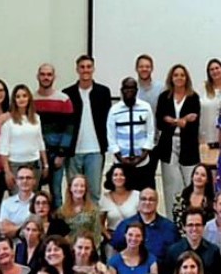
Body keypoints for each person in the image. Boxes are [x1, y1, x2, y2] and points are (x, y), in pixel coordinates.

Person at [63, 55, 113, 196]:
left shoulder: (103, 92)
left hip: (95, 151)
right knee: (74, 193)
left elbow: (107, 121)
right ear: (77, 69)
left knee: (94, 193)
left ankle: (93, 219)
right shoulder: (67, 93)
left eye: (88, 67)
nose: (85, 70)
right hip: (73, 151)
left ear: (93, 69)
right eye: (82, 67)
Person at [155, 63, 201, 206]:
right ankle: (172, 221)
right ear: (171, 78)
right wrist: (181, 120)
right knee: (171, 186)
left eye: (182, 75)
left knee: (190, 184)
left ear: (186, 78)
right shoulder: (164, 97)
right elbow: (161, 120)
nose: (179, 78)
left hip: (189, 146)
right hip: (168, 145)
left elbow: (194, 121)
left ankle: (190, 220)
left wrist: (179, 121)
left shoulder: (193, 97)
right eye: (176, 75)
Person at [34, 62, 75, 205]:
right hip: (36, 155)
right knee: (36, 193)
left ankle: (57, 226)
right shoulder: (31, 100)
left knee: (56, 192)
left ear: (54, 77)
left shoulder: (64, 100)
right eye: (43, 74)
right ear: (37, 76)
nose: (46, 77)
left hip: (56, 155)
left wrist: (61, 154)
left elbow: (69, 129)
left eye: (49, 74)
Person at [108, 76, 156, 191]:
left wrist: (141, 157)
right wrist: (121, 158)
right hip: (121, 163)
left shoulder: (145, 107)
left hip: (142, 163)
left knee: (145, 196)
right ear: (121, 90)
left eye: (132, 88)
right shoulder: (114, 110)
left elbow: (151, 133)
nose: (129, 91)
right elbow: (111, 136)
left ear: (137, 90)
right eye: (126, 88)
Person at [0, 84, 47, 192]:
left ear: (29, 98)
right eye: (18, 96)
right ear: (14, 100)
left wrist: (45, 164)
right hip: (15, 165)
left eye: (24, 96)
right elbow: (3, 148)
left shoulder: (36, 118)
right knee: (18, 198)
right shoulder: (8, 120)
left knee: (34, 201)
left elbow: (40, 142)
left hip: (34, 164)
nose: (21, 99)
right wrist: (7, 172)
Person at [112, 187, 179, 268]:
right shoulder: (125, 225)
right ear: (139, 202)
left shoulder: (169, 228)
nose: (147, 202)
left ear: (157, 202)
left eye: (151, 199)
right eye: (143, 199)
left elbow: (175, 255)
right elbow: (115, 251)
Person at [99, 163, 138, 240]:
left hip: (134, 237)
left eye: (122, 175)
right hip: (113, 236)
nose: (118, 177)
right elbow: (100, 224)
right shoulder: (105, 197)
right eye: (115, 175)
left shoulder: (137, 195)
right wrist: (109, 237)